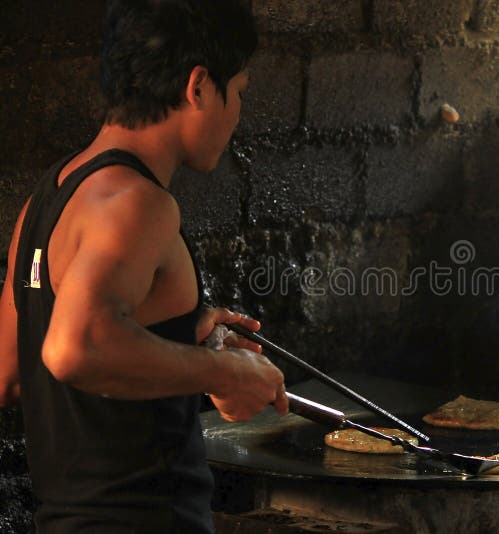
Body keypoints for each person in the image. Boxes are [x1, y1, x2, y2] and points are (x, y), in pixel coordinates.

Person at [0, 1, 288, 531]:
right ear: (199, 86)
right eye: (240, 92)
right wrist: (225, 370)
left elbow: (9, 375)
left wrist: (173, 335)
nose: (238, 114)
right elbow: (74, 348)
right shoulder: (141, 203)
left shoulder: (48, 196)